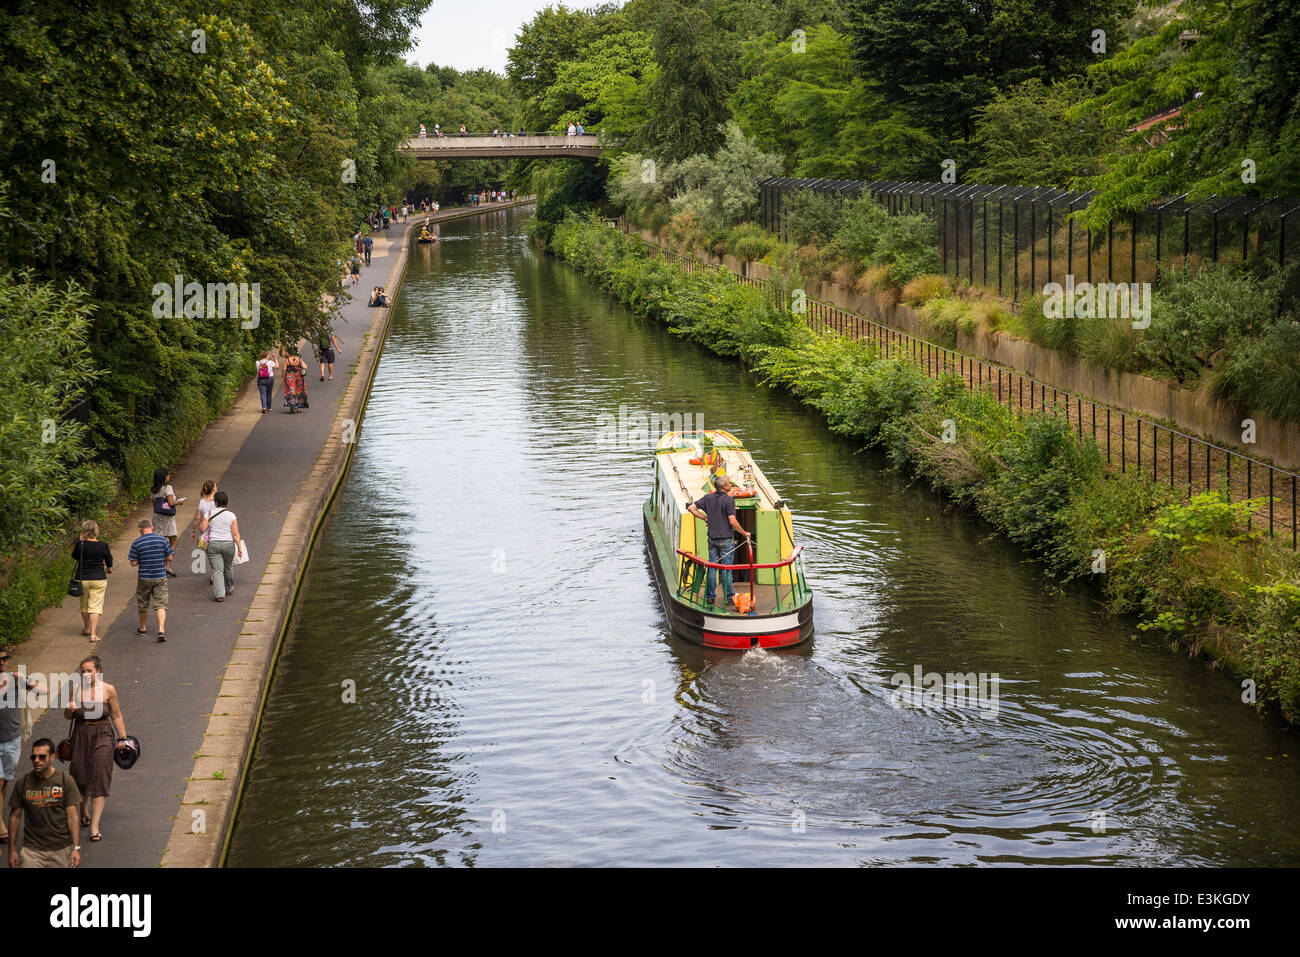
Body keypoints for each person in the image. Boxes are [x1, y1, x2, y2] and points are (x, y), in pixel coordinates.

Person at [64, 656, 127, 844]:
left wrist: (123, 738)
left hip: (103, 734)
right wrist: (69, 709)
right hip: (81, 734)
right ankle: (83, 810)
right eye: (83, 671)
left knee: (100, 776)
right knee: (80, 778)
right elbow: (68, 716)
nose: (85, 674)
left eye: (89, 671)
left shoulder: (108, 689)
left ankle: (95, 826)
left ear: (98, 671)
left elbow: (116, 715)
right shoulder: (76, 689)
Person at [6, 739, 81, 868]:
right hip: (32, 851)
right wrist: (12, 851)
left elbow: (72, 816)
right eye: (33, 757)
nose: (36, 760)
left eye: (41, 757)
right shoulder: (22, 783)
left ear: (52, 757)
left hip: (61, 849)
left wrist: (76, 847)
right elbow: (15, 817)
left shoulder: (65, 780)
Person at [0, 650, 48, 845]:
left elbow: (43, 690)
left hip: (12, 738)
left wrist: (25, 678)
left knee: (4, 782)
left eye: (4, 658)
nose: (2, 662)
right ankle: (1, 826)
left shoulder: (13, 678)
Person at [686, 474, 751, 609]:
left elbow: (691, 508)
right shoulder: (729, 501)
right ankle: (728, 598)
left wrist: (705, 518)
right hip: (726, 540)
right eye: (729, 483)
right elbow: (732, 521)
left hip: (712, 539)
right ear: (724, 486)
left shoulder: (708, 498)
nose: (731, 485)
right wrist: (744, 533)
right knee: (726, 569)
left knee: (712, 568)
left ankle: (710, 597)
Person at [128, 517, 172, 641]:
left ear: (140, 529)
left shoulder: (137, 543)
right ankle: (161, 630)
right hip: (160, 576)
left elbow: (133, 563)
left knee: (143, 603)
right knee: (161, 604)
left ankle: (142, 628)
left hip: (144, 577)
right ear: (151, 527)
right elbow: (170, 557)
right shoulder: (162, 540)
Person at [71, 521, 113, 641]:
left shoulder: (80, 545)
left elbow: (74, 556)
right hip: (98, 578)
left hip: (82, 578)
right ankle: (93, 634)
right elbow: (109, 559)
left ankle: (87, 627)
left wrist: (81, 542)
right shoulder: (103, 545)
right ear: (96, 530)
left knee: (84, 605)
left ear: (84, 531)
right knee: (95, 606)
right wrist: (109, 568)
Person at [199, 491, 242, 602]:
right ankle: (228, 588)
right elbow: (235, 533)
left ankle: (219, 595)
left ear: (215, 502)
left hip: (213, 544)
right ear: (226, 502)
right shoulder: (231, 515)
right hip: (228, 544)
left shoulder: (209, 513)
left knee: (217, 570)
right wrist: (239, 547)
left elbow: (202, 528)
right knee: (228, 567)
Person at [149, 468, 183, 574]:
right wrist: (179, 502)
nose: (169, 476)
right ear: (164, 477)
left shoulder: (153, 489)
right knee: (173, 541)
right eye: (168, 475)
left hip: (157, 517)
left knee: (160, 542)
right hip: (168, 518)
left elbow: (154, 505)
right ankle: (167, 565)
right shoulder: (168, 488)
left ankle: (159, 566)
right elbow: (171, 503)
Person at [189, 480, 219, 585]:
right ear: (214, 489)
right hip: (217, 529)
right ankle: (216, 573)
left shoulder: (201, 502)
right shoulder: (218, 501)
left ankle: (214, 573)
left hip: (205, 532)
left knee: (211, 553)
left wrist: (193, 530)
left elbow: (197, 519)